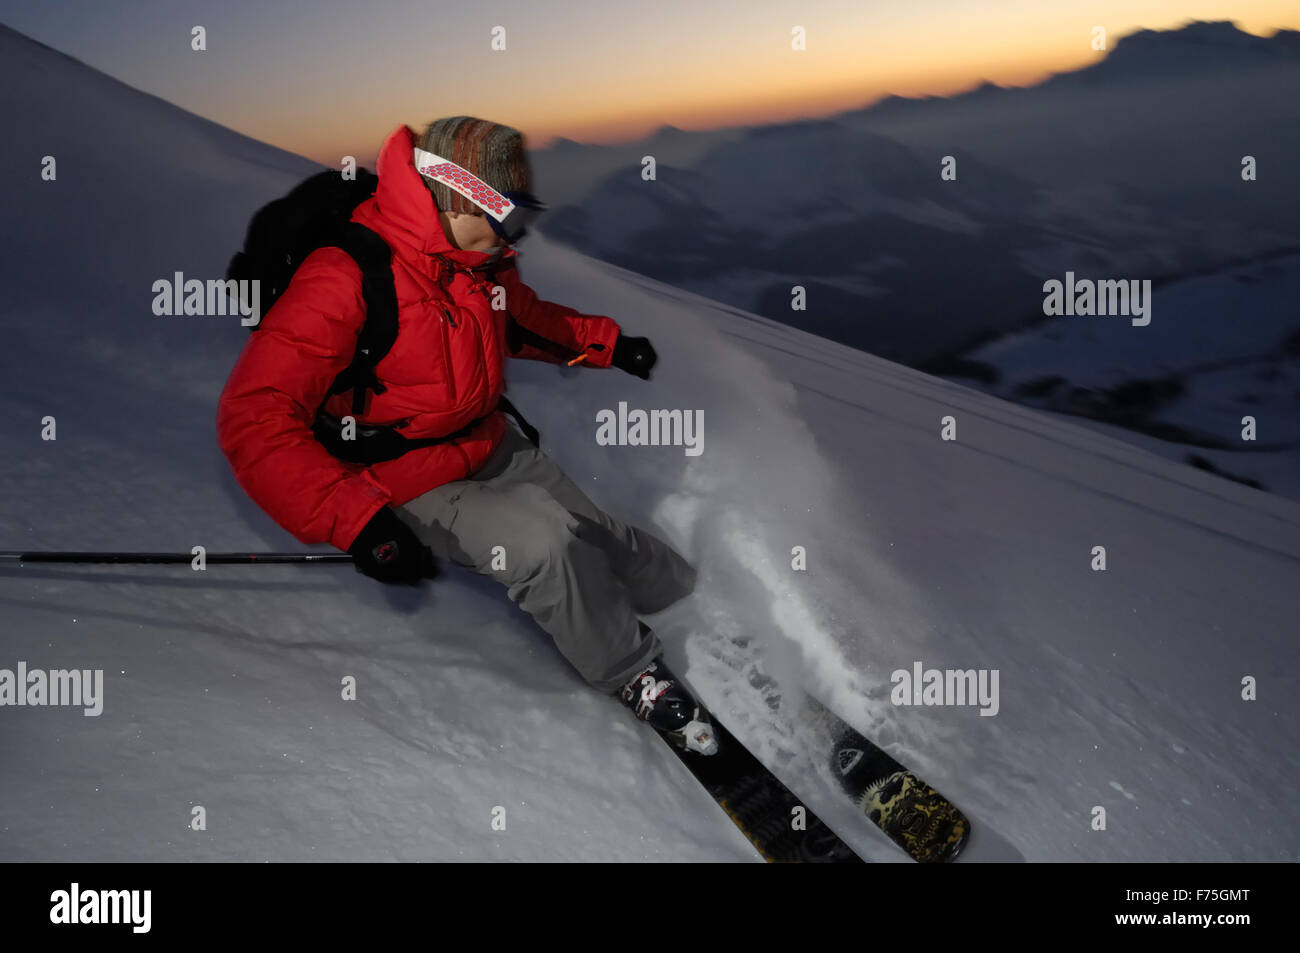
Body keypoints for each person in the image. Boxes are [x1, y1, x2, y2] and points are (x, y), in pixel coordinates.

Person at [217, 117, 715, 754]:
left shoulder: (478, 260)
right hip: (402, 475)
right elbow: (254, 417)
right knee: (546, 544)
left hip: (484, 440)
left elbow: (518, 324)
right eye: (505, 212)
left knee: (598, 531)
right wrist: (358, 522)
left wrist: (607, 345)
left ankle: (686, 599)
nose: (516, 231)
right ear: (456, 195)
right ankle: (631, 673)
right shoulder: (343, 278)